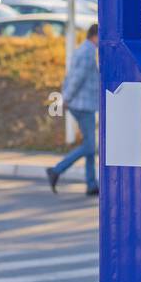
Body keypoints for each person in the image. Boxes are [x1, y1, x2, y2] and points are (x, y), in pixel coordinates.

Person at [47, 24, 99, 196]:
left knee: (89, 145)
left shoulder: (81, 49)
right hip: (83, 105)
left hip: (80, 103)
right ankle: (56, 170)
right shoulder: (88, 52)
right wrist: (65, 99)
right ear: (95, 36)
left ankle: (92, 184)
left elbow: (69, 76)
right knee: (90, 146)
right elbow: (77, 79)